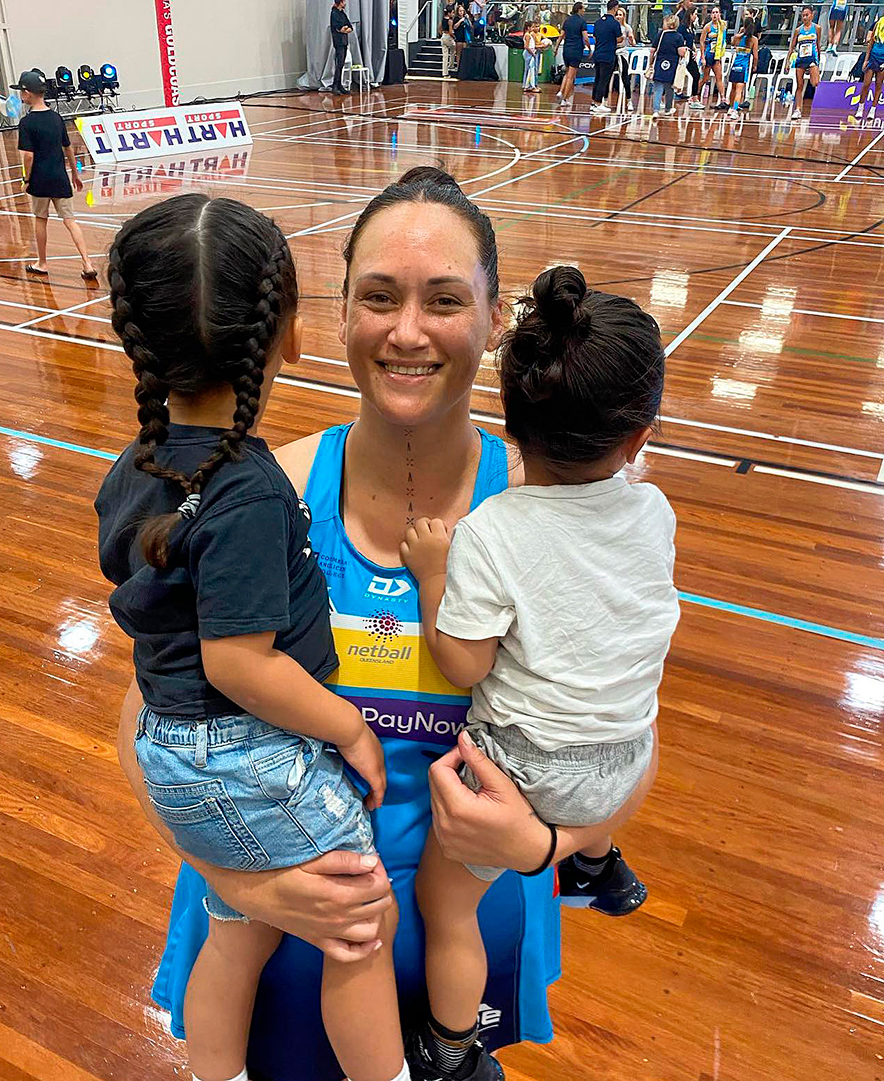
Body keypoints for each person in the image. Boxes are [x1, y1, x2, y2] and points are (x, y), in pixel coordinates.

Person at [115, 167, 659, 1081]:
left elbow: (628, 737)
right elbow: (140, 725)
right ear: (336, 315)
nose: (408, 330)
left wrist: (548, 846)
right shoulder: (261, 490)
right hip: (282, 922)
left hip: (465, 926)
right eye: (380, 297)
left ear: (493, 321)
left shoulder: (552, 507)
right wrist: (249, 882)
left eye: (444, 299)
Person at [97, 193, 408, 1081]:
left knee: (236, 928)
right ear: (289, 333)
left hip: (173, 743)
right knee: (361, 925)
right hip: (247, 750)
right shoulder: (247, 490)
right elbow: (239, 662)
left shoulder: (137, 465)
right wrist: (347, 728)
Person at [400, 265, 678, 1074]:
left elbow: (461, 664)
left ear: (510, 425)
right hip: (627, 756)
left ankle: (452, 1050)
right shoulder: (654, 510)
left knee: (446, 903)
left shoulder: (492, 531)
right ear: (638, 437)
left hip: (525, 773)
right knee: (613, 689)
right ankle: (597, 859)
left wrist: (433, 575)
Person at [12, 70, 97, 281]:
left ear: (26, 93)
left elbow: (28, 157)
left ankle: (42, 263)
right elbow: (67, 148)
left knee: (41, 219)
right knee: (70, 220)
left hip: (40, 181)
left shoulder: (27, 123)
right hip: (60, 177)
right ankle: (87, 262)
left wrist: (27, 180)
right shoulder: (57, 118)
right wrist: (75, 175)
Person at [650, 14, 688, 116]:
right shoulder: (679, 37)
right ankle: (668, 109)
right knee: (669, 87)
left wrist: (650, 63)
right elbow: (681, 52)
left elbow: (652, 50)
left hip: (659, 62)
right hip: (672, 64)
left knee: (658, 87)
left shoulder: (660, 35)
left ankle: (656, 110)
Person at [788, 5, 821, 120]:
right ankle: (797, 109)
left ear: (812, 15)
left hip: (812, 58)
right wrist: (788, 62)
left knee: (815, 83)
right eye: (803, 16)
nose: (805, 17)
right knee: (799, 85)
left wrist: (818, 61)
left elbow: (818, 45)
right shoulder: (798, 30)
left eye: (807, 15)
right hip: (801, 59)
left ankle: (817, 106)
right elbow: (792, 47)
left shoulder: (817, 28)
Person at [591, 0, 624, 112]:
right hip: (608, 54)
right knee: (603, 80)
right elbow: (619, 38)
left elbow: (595, 37)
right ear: (615, 8)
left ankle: (593, 102)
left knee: (597, 78)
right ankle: (598, 103)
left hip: (598, 53)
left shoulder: (598, 22)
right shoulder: (614, 23)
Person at [558, 1, 591, 106]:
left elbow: (561, 36)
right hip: (576, 50)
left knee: (567, 74)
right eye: (583, 9)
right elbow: (585, 38)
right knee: (571, 77)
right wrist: (589, 49)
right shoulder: (582, 22)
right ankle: (565, 99)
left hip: (566, 49)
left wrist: (556, 48)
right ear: (579, 9)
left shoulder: (567, 21)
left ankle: (561, 91)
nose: (584, 11)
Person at [726, 16, 758, 116]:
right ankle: (735, 110)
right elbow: (755, 56)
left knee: (733, 88)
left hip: (735, 65)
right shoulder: (754, 40)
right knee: (739, 90)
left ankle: (731, 108)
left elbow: (732, 43)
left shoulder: (737, 37)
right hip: (744, 67)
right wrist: (754, 65)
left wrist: (740, 32)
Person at [676, 0, 704, 108]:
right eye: (695, 14)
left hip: (690, 55)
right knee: (673, 76)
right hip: (682, 55)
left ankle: (694, 98)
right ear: (690, 15)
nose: (696, 17)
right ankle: (663, 97)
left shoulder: (691, 28)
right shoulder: (682, 27)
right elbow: (679, 40)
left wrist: (694, 48)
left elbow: (690, 40)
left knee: (696, 75)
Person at [700, 6, 727, 109]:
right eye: (713, 13)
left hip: (717, 55)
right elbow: (702, 42)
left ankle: (723, 99)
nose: (715, 15)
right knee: (705, 78)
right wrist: (702, 56)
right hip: (708, 54)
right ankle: (695, 95)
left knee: (719, 77)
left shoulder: (722, 26)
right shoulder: (707, 27)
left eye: (717, 12)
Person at [857, 10, 884, 116]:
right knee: (866, 84)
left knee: (878, 85)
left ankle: (872, 110)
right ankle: (860, 107)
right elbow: (870, 43)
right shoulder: (878, 24)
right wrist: (866, 60)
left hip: (883, 60)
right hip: (873, 58)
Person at [331, 0, 355, 95]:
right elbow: (339, 28)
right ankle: (335, 85)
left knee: (342, 64)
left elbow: (349, 27)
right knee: (339, 64)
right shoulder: (334, 13)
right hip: (338, 42)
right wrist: (343, 29)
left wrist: (345, 28)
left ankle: (340, 85)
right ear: (340, 2)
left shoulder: (342, 14)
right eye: (343, 1)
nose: (345, 3)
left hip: (344, 41)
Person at [522, 21, 541, 92]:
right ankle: (531, 86)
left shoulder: (529, 35)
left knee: (529, 69)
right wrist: (532, 53)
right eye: (532, 27)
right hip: (529, 53)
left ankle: (527, 85)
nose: (533, 28)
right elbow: (526, 46)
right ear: (528, 28)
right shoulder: (527, 35)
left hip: (530, 52)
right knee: (530, 69)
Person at [442, 5, 458, 77]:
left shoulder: (443, 19)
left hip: (443, 36)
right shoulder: (450, 21)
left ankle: (445, 73)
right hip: (448, 37)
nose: (453, 14)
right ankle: (451, 65)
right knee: (453, 49)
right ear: (449, 13)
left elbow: (439, 28)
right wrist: (454, 37)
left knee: (445, 56)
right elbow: (451, 32)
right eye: (452, 12)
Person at [454, 3, 471, 69]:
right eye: (460, 11)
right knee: (459, 53)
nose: (461, 12)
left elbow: (470, 26)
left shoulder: (466, 18)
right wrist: (460, 21)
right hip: (459, 37)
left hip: (465, 37)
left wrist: (468, 19)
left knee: (465, 53)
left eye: (462, 11)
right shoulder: (456, 18)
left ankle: (465, 66)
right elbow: (454, 27)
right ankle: (458, 66)